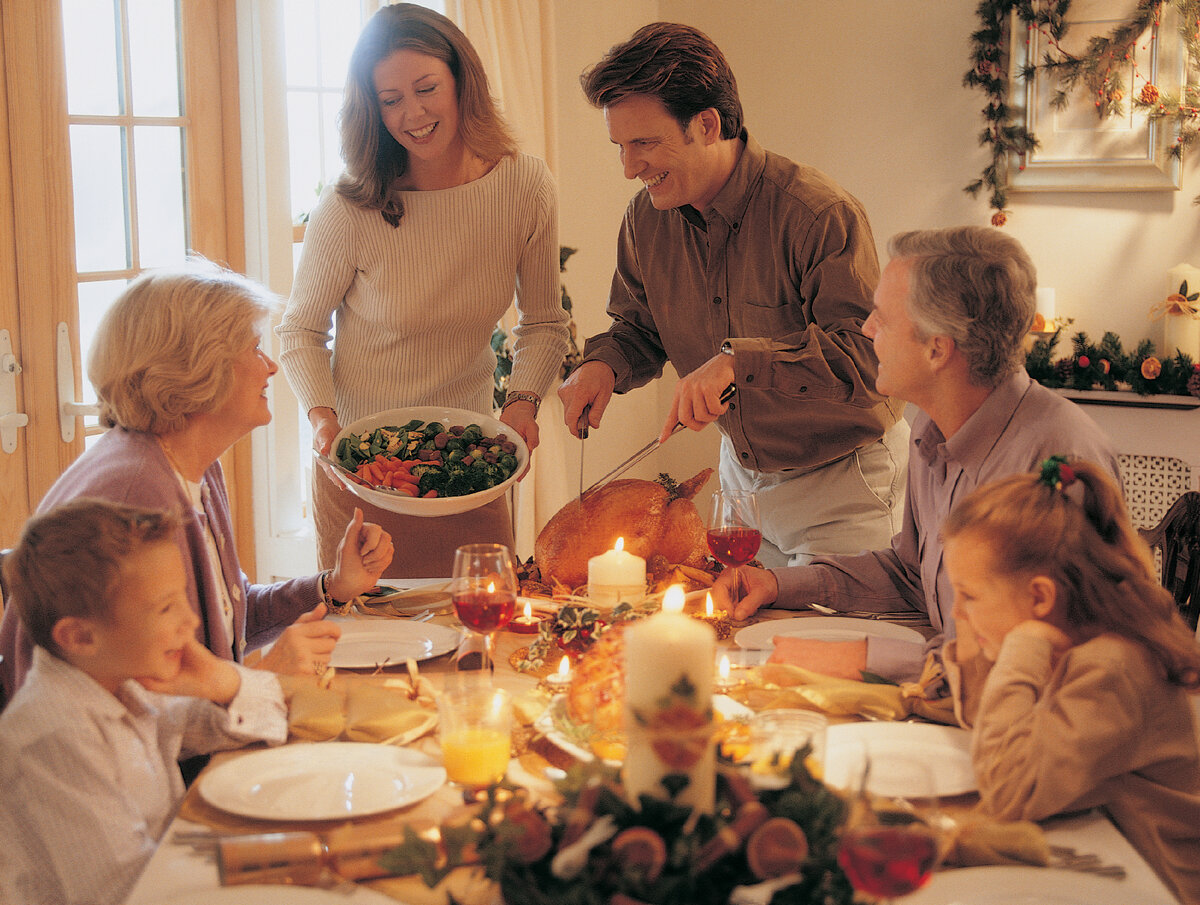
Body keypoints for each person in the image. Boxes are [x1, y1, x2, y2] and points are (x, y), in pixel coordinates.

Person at [559, 22, 908, 567]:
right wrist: (604, 364)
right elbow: (638, 330)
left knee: (828, 648)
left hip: (844, 486)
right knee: (738, 645)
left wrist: (736, 364)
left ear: (707, 124)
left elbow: (867, 360)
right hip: (740, 487)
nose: (629, 169)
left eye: (644, 143)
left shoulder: (818, 214)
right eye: (620, 147)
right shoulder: (645, 220)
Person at [713, 226, 1120, 686]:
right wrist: (780, 583)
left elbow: (1040, 666)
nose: (866, 330)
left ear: (937, 349)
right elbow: (911, 573)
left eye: (882, 318)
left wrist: (853, 659)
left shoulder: (1055, 458)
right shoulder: (930, 427)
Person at [0, 261, 393, 699]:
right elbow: (138, 699)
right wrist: (265, 678)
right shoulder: (136, 492)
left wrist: (333, 585)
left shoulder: (192, 464)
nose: (271, 367)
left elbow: (225, 621)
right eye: (253, 348)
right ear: (198, 367)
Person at [278, 3, 569, 578]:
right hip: (364, 473)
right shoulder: (349, 207)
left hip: (468, 467)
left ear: (463, 79)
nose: (412, 113)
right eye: (390, 100)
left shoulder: (524, 186)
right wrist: (322, 420)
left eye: (426, 87)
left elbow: (543, 324)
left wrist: (522, 403)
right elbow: (300, 332)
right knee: (369, 652)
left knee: (480, 644)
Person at [0, 499, 290, 905]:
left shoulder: (120, 680)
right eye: (167, 607)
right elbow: (126, 893)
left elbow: (252, 722)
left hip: (171, 874)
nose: (190, 623)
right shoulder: (53, 736)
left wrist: (219, 681)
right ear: (81, 637)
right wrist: (266, 860)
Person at [942, 458, 1200, 905]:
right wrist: (990, 642)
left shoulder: (1112, 666)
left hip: (1161, 884)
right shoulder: (1074, 636)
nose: (957, 614)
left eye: (968, 595)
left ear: (1040, 596)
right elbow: (988, 726)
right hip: (1108, 848)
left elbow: (1007, 792)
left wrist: (1022, 644)